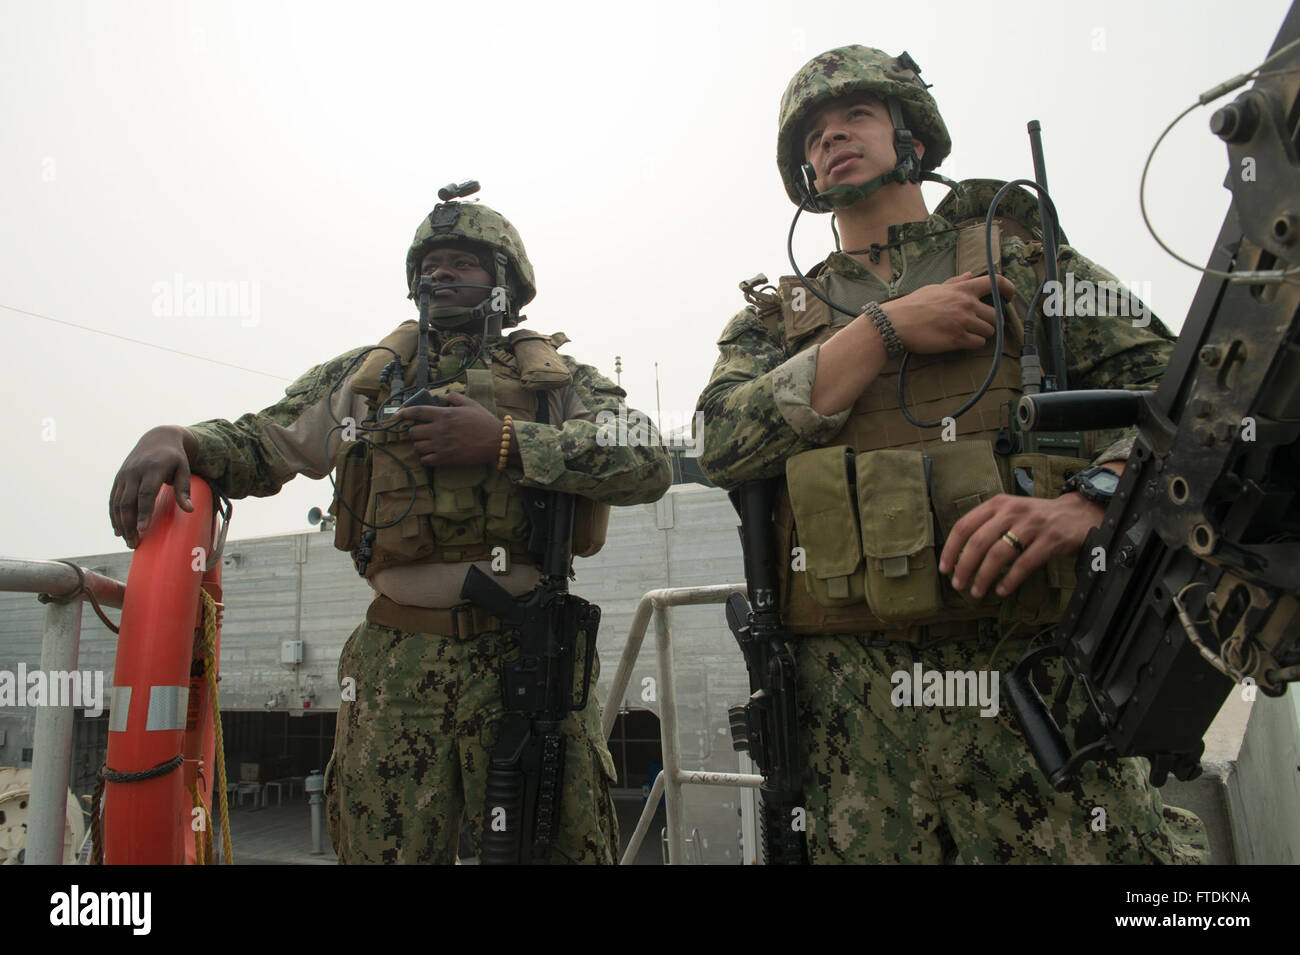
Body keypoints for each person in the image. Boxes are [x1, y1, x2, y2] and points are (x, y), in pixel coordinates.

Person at [696, 45, 1210, 864]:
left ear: (915, 142)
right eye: (815, 134)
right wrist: (882, 330)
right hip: (853, 714)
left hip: (1030, 680)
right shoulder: (772, 320)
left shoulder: (1026, 259)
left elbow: (1186, 398)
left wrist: (1089, 498)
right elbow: (720, 441)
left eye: (856, 117)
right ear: (805, 174)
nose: (832, 138)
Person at [109, 192, 672, 863]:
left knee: (556, 846)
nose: (440, 275)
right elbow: (266, 442)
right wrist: (178, 437)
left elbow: (646, 457)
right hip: (395, 664)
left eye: (462, 262)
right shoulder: (372, 376)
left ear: (505, 282)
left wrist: (506, 442)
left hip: (529, 655)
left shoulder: (553, 380)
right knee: (384, 849)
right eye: (430, 264)